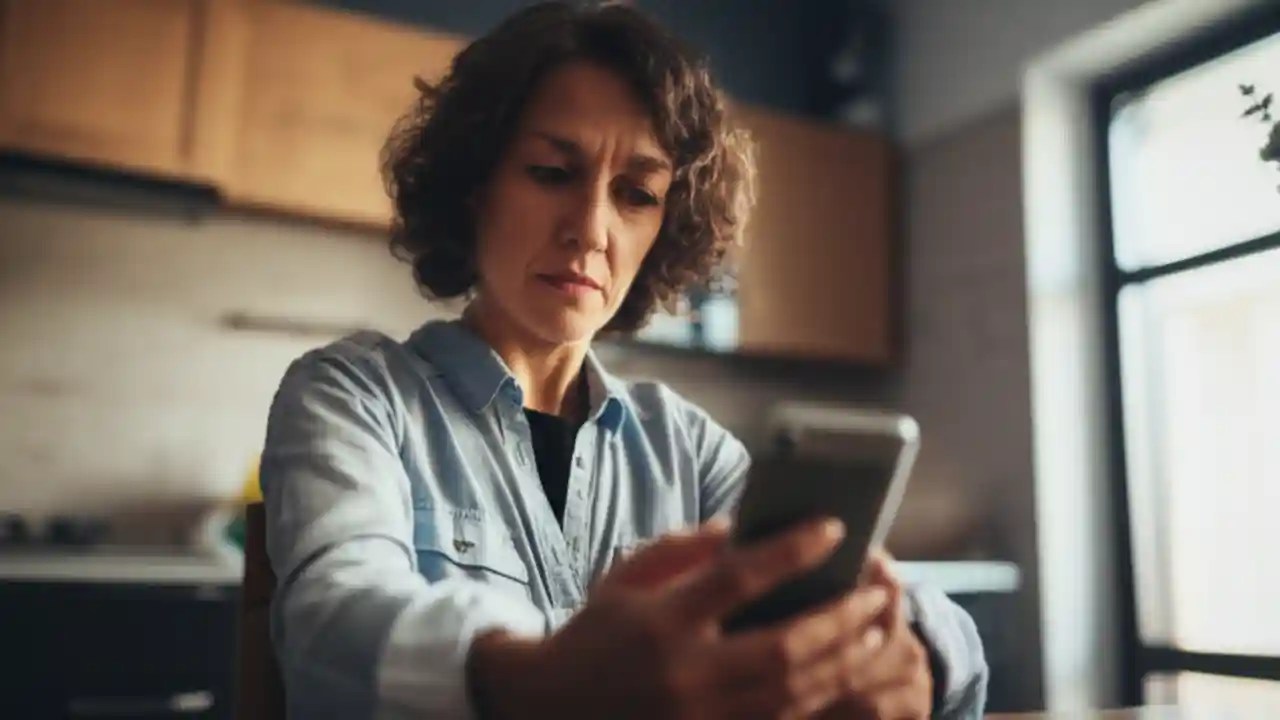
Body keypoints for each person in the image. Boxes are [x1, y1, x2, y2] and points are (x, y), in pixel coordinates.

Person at [259, 3, 987, 718]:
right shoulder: (354, 394)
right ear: (475, 187)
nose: (590, 230)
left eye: (636, 194)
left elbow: (895, 600)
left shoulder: (688, 448)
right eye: (550, 172)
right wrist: (541, 679)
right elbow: (332, 621)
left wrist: (914, 654)